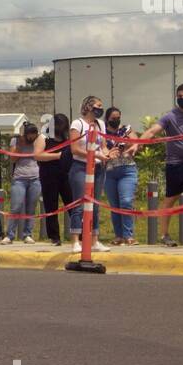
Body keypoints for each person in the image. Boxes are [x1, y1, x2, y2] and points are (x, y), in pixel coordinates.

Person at [137, 83, 183, 246]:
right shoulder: (170, 116)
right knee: (171, 198)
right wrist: (137, 143)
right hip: (176, 162)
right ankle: (164, 235)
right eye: (180, 97)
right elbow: (152, 131)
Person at [67, 95, 110, 253]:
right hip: (80, 166)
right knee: (79, 204)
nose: (100, 109)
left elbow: (103, 145)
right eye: (98, 106)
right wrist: (94, 154)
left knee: (95, 205)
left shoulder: (101, 124)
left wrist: (106, 154)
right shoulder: (77, 124)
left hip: (97, 168)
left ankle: (95, 241)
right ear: (89, 107)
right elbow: (75, 149)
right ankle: (75, 241)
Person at [103, 107, 140, 246]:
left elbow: (136, 141)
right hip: (110, 171)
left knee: (126, 201)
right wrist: (108, 153)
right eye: (113, 118)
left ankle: (128, 235)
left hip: (127, 170)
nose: (116, 120)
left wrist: (133, 147)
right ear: (107, 119)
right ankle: (118, 236)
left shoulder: (126, 129)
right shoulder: (102, 131)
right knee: (115, 205)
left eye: (118, 117)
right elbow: (101, 147)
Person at [36, 113, 73, 245]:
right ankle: (54, 237)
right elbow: (38, 155)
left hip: (66, 174)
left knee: (72, 204)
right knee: (51, 206)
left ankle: (79, 234)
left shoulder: (68, 138)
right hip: (48, 175)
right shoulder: (44, 137)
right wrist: (58, 156)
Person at [3, 122, 43, 244]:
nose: (31, 138)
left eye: (33, 135)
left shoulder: (38, 140)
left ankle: (27, 234)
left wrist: (36, 142)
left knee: (31, 207)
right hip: (19, 178)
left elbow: (40, 154)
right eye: (29, 136)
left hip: (35, 177)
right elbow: (13, 158)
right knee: (16, 206)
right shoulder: (16, 141)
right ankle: (10, 235)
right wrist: (20, 144)